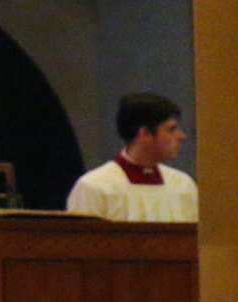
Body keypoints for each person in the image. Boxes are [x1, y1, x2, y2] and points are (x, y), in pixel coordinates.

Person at [66, 93, 197, 222]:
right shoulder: (94, 187)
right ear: (144, 133)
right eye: (171, 129)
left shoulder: (183, 185)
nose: (182, 136)